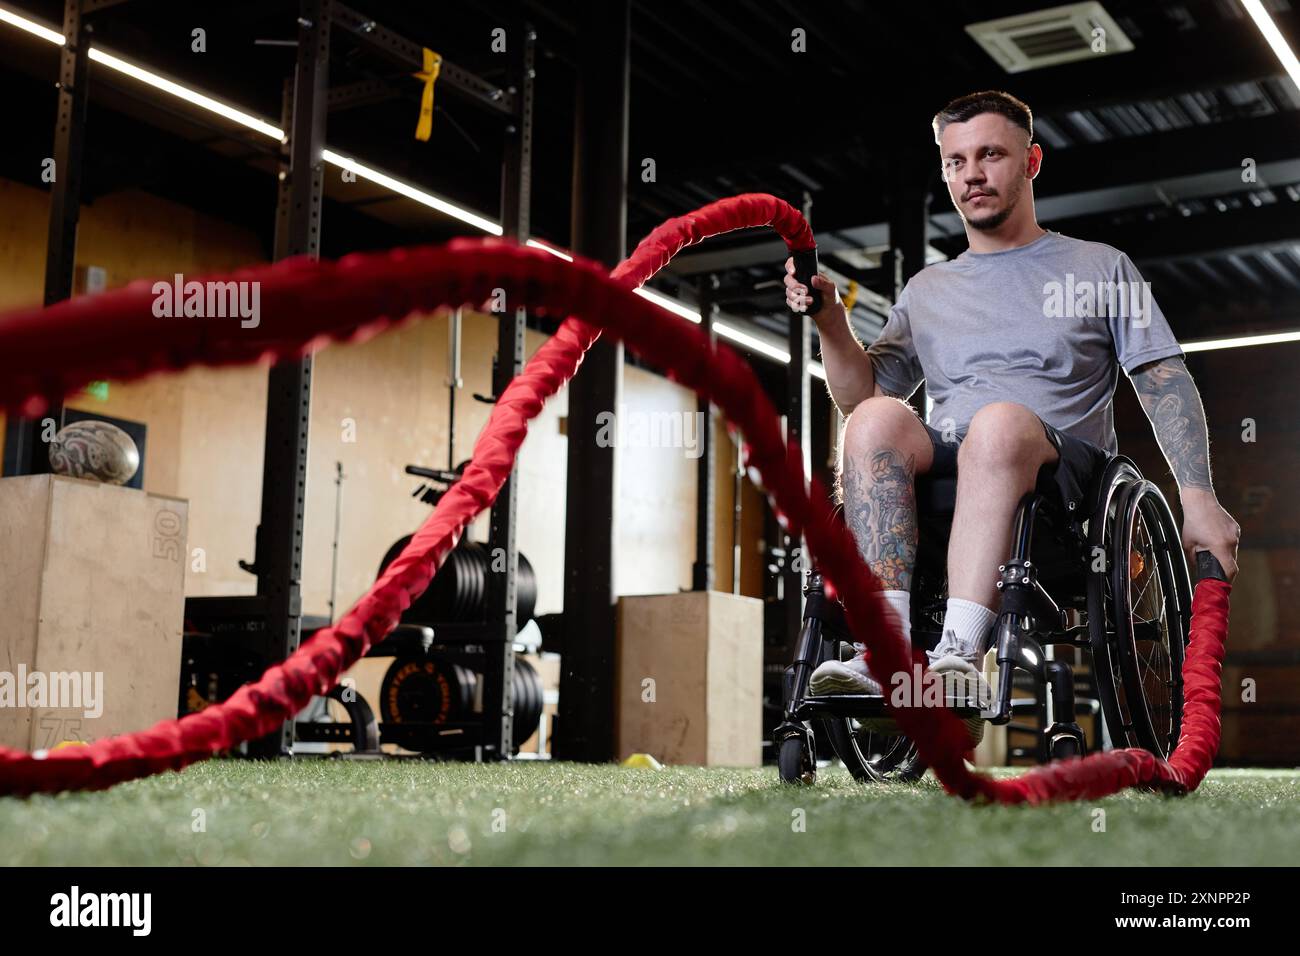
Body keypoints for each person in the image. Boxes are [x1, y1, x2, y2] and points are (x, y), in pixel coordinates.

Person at [784, 90, 1241, 742]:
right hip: (953, 474)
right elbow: (861, 396)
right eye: (955, 161)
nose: (971, 173)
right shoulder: (928, 289)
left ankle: (960, 656)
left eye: (990, 154)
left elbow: (1163, 378)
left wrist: (1198, 498)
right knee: (875, 422)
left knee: (997, 423)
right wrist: (829, 318)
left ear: (1031, 161)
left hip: (1063, 485)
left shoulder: (1100, 267)